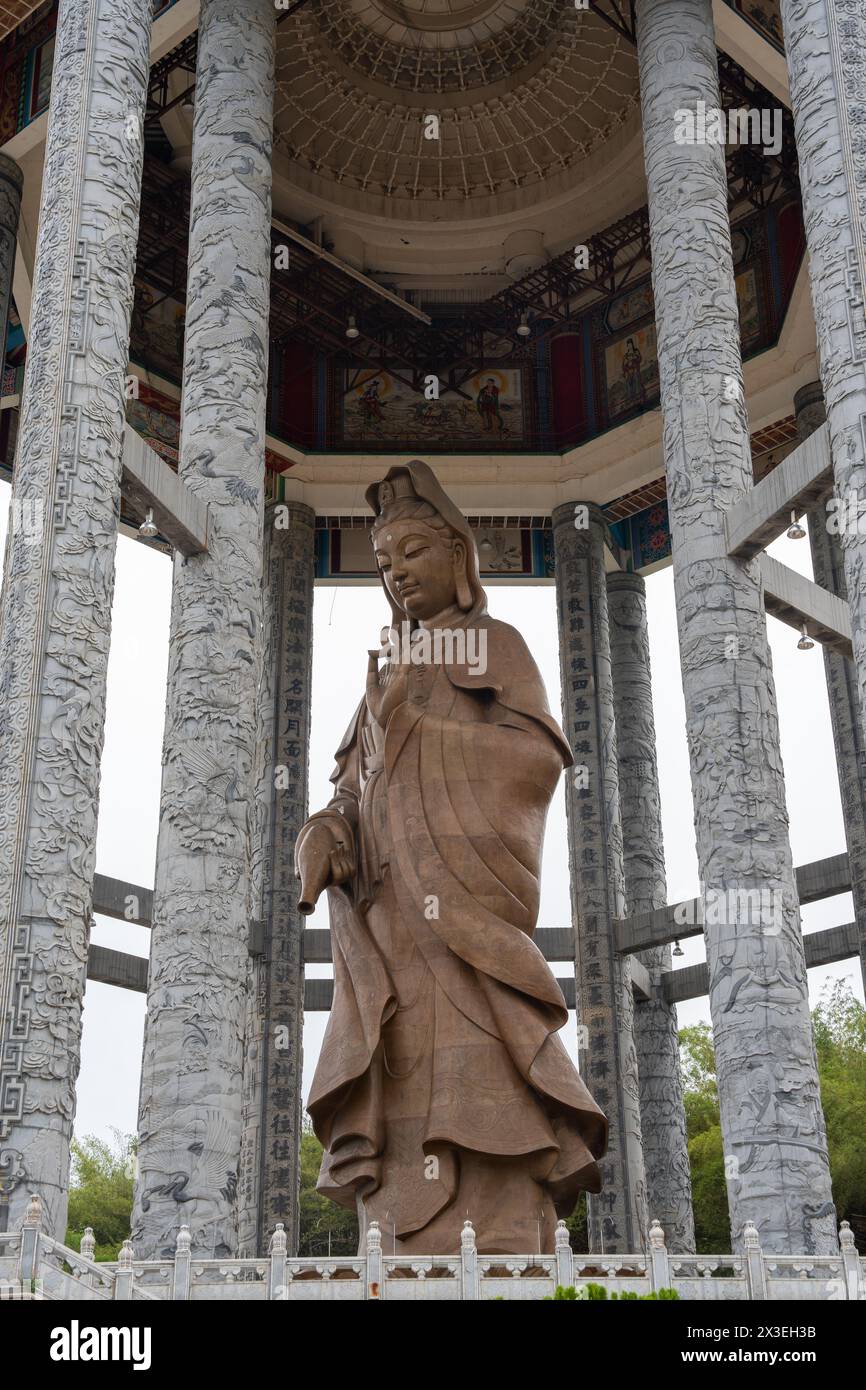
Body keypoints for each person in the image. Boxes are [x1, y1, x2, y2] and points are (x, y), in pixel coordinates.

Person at [295, 461, 607, 1255]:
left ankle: (500, 1228)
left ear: (459, 557)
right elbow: (353, 786)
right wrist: (328, 833)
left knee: (488, 1079)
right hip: (395, 926)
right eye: (386, 561)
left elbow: (534, 761)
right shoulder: (386, 668)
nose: (397, 574)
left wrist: (416, 732)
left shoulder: (494, 647)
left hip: (467, 919)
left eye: (412, 552)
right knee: (396, 1073)